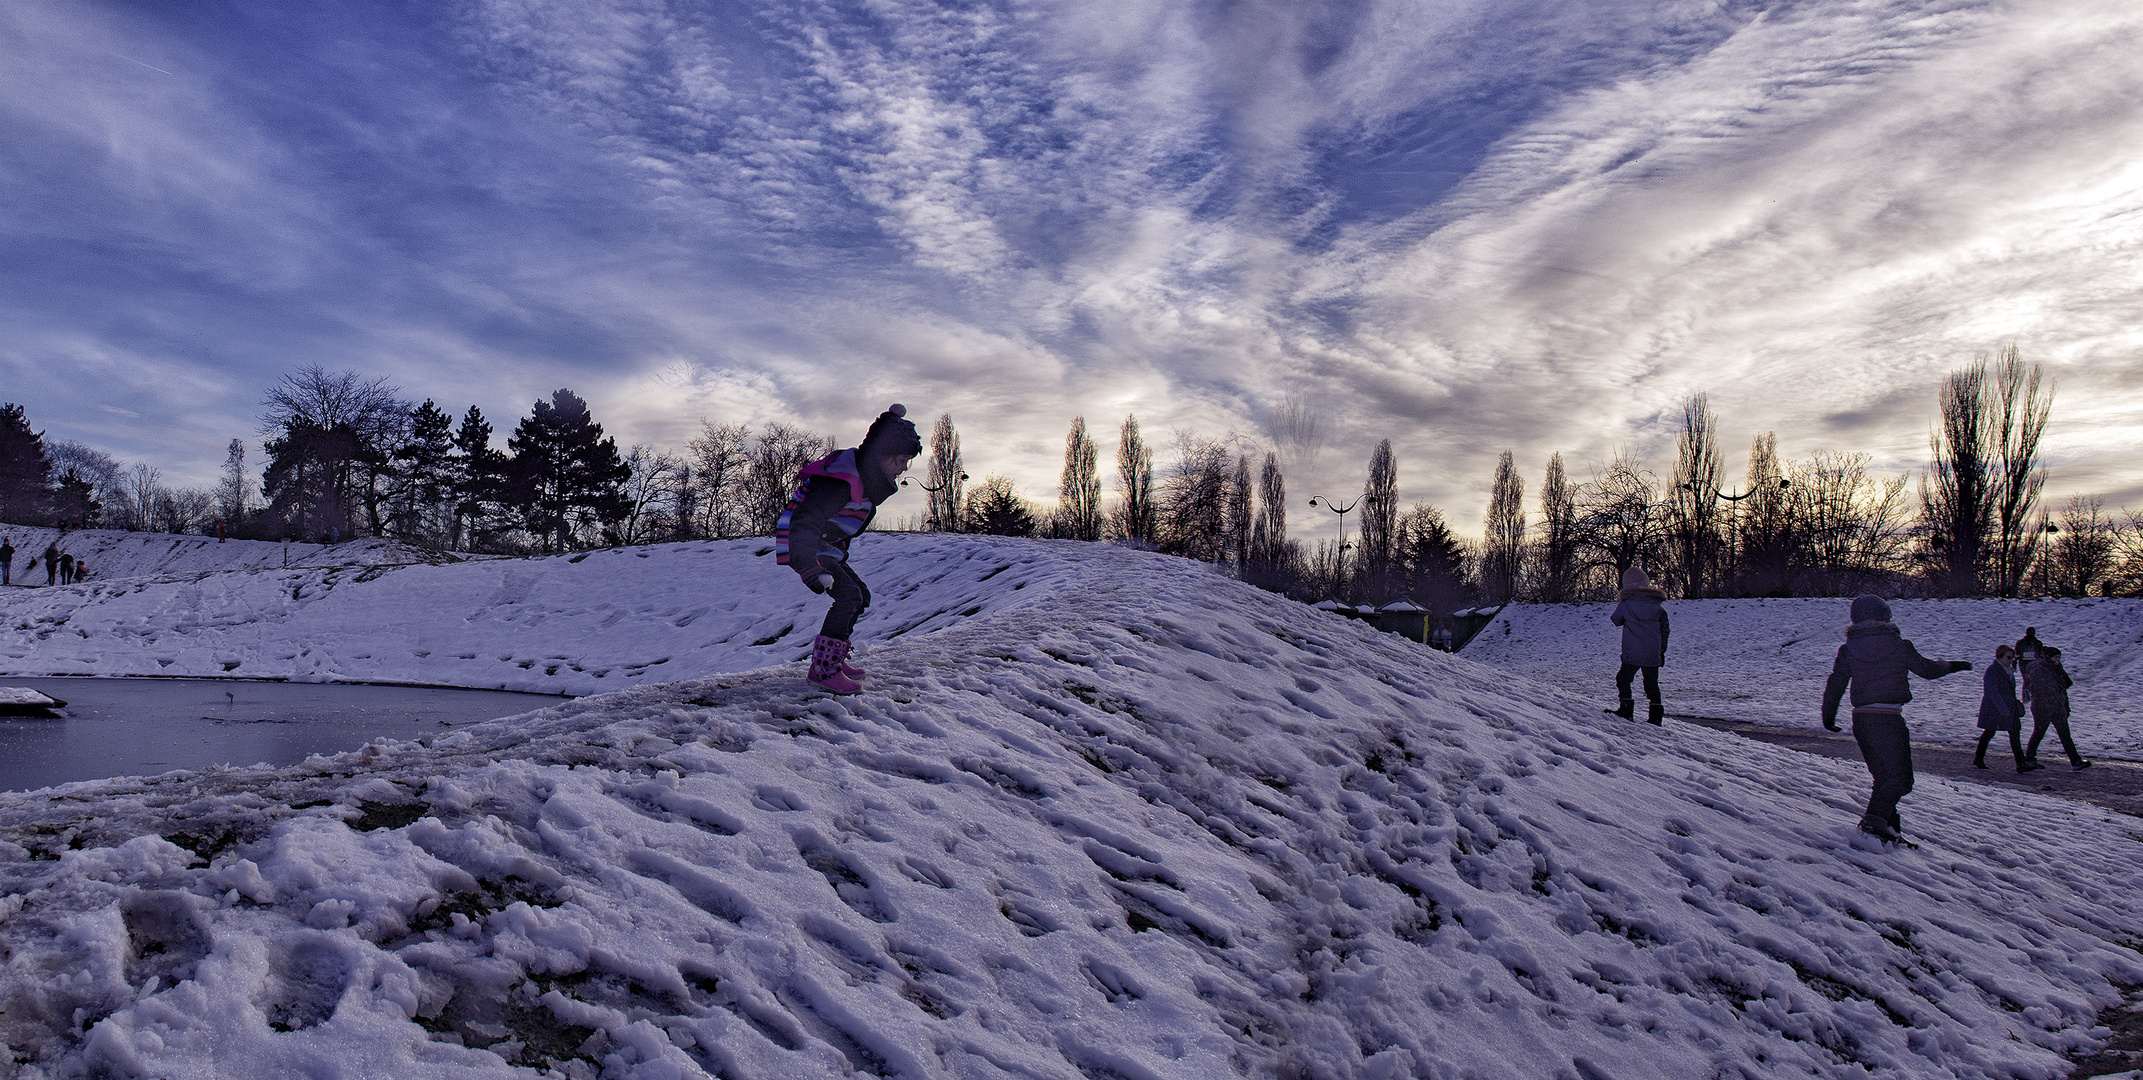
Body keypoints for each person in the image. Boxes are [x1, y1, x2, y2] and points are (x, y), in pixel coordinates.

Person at [776, 404, 923, 694]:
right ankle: (823, 669)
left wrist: (838, 557)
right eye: (901, 461)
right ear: (883, 457)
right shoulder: (841, 483)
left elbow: (844, 527)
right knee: (848, 597)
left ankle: (833, 656)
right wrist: (809, 567)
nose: (904, 469)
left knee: (859, 596)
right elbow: (805, 521)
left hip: (826, 548)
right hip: (807, 546)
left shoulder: (867, 484)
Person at [1820, 594, 1972, 844]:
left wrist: (1828, 715)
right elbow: (1927, 670)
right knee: (1901, 778)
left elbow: (1836, 683)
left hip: (1862, 720)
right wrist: (1953, 666)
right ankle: (1873, 822)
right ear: (1885, 617)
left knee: (1883, 777)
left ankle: (1888, 832)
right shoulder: (1899, 645)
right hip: (1889, 718)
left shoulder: (1847, 650)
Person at [1606, 566, 1669, 725]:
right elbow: (1665, 630)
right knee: (1651, 684)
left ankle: (1626, 709)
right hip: (1652, 652)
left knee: (1623, 679)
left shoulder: (1626, 605)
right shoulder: (1658, 607)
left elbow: (1616, 620)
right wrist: (1661, 650)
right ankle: (1655, 716)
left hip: (1632, 652)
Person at [2024, 646, 2089, 770]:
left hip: (2057, 706)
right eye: (2055, 657)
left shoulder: (2056, 669)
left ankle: (2075, 761)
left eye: (2059, 658)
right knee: (2039, 733)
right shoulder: (2039, 670)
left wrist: (2059, 670)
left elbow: (2067, 684)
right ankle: (2030, 759)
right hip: (2043, 708)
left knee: (2065, 735)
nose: (2057, 660)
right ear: (2049, 657)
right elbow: (2041, 690)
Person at [1974, 645, 2033, 772]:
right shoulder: (1992, 671)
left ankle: (2021, 763)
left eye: (2012, 658)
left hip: (2009, 708)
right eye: (2008, 658)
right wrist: (2003, 709)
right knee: (1989, 732)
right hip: (1995, 709)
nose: (2011, 660)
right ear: (2000, 656)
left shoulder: (2008, 670)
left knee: (2014, 733)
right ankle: (1978, 758)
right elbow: (1993, 692)